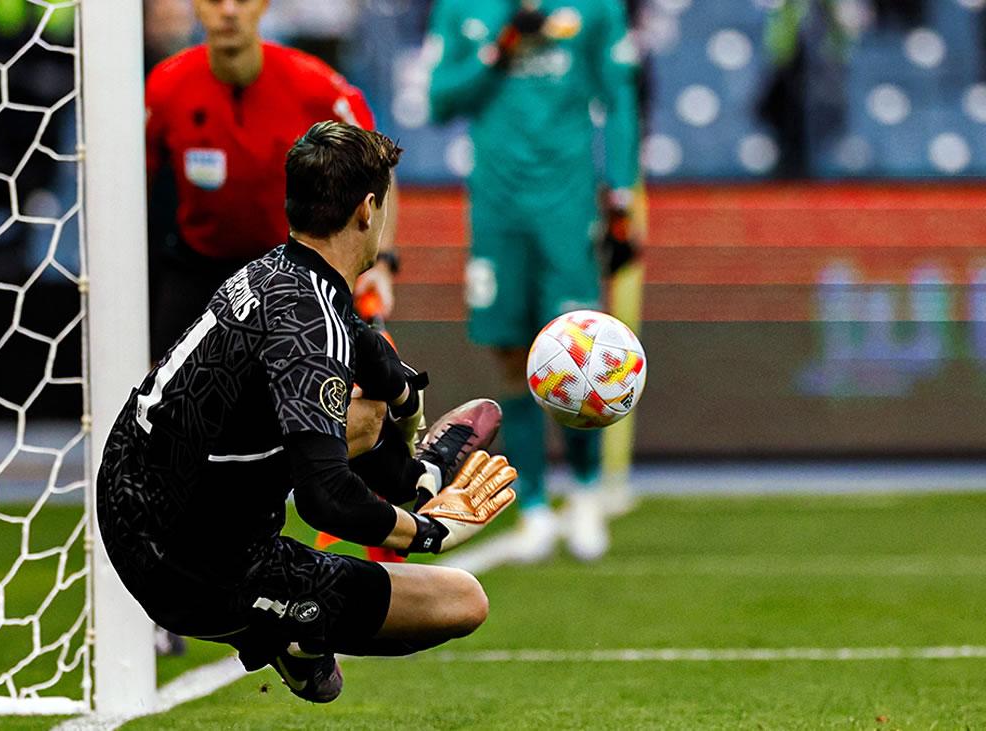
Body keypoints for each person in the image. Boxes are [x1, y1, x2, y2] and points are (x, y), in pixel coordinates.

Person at [97, 122, 516, 702]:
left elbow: (365, 349)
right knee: (462, 600)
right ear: (368, 209)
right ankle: (283, 625)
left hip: (128, 493)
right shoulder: (313, 329)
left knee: (357, 413)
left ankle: (415, 478)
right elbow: (327, 499)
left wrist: (406, 401)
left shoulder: (274, 270)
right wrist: (428, 532)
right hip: (194, 569)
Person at [427, 0, 642, 561]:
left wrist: (621, 195)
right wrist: (499, 49)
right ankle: (535, 506)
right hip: (498, 206)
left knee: (579, 354)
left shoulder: (596, 8)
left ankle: (586, 492)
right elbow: (440, 99)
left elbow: (619, 96)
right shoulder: (462, 8)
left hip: (567, 204)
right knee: (509, 353)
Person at [144, 0, 398, 359]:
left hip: (291, 271)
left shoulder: (315, 85)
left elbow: (379, 167)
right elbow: (134, 184)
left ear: (263, 5)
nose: (228, 11)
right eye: (215, 0)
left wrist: (380, 263)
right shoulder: (165, 87)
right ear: (196, 6)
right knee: (160, 386)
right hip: (196, 268)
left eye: (242, 0)